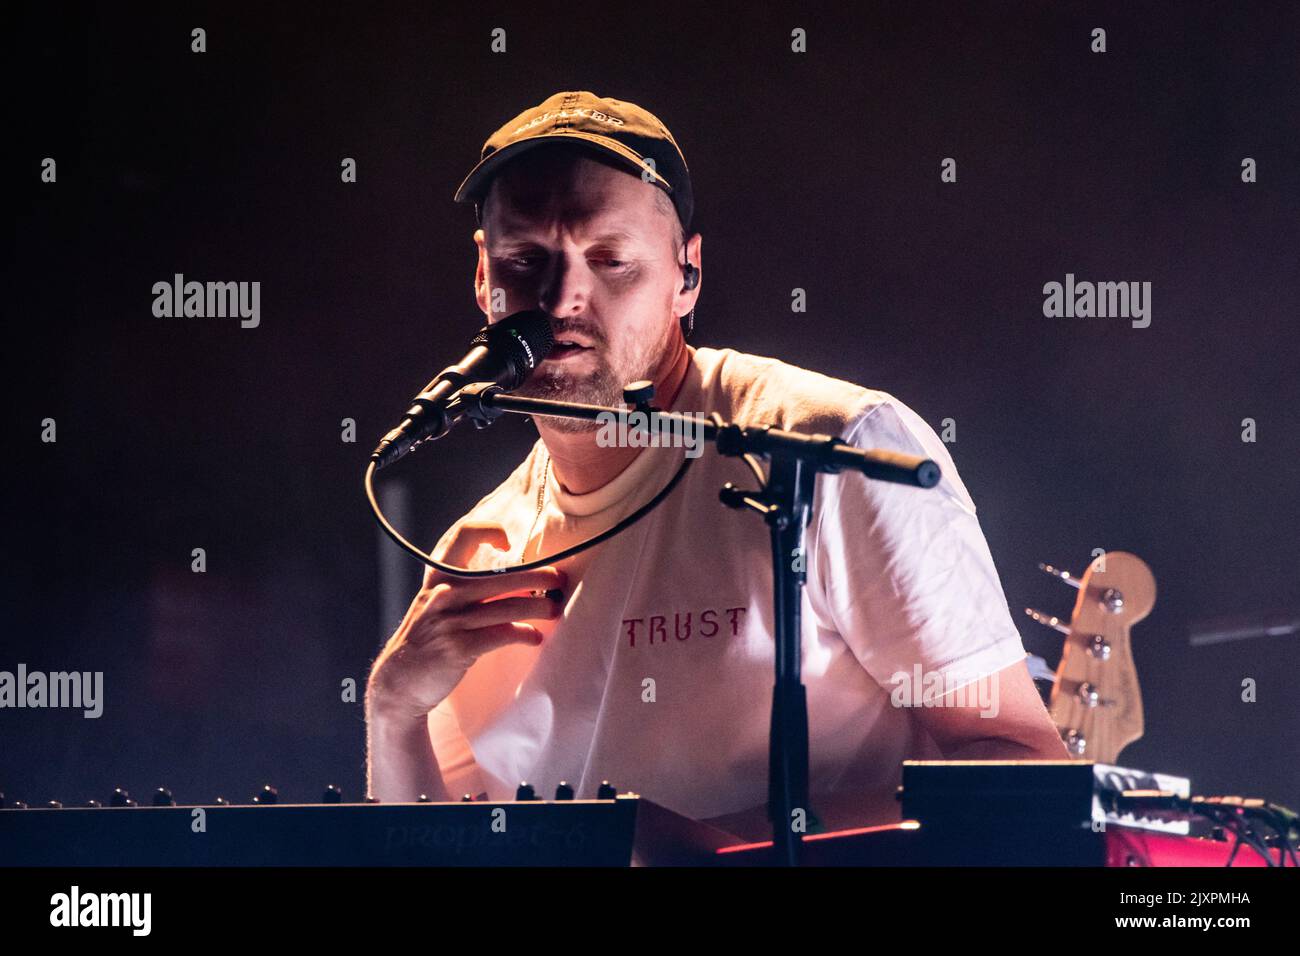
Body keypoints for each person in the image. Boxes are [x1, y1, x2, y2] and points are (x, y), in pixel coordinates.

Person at [365, 90, 1068, 840]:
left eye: (610, 260)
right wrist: (393, 711)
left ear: (687, 275)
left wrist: (714, 850)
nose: (562, 296)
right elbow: (446, 853)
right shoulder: (476, 551)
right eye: (525, 260)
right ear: (484, 278)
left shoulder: (834, 452)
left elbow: (1026, 769)